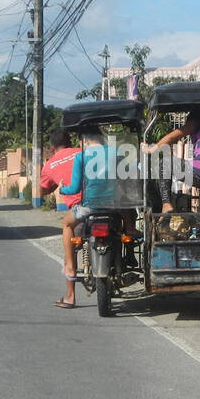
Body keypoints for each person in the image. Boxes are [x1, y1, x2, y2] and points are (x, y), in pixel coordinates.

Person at [55, 124, 117, 308]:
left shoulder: (81, 156)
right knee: (126, 215)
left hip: (90, 206)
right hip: (115, 205)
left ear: (84, 140)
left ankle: (70, 267)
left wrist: (61, 188)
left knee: (67, 224)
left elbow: (74, 188)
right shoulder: (115, 153)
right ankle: (130, 229)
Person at [143, 109, 200, 215]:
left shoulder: (196, 121)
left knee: (166, 163)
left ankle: (166, 204)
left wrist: (151, 149)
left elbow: (173, 136)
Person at [40, 130, 81, 213]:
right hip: (101, 200)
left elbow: (43, 190)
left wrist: (56, 184)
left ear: (52, 147)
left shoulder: (48, 166)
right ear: (70, 143)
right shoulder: (82, 151)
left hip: (78, 205)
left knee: (66, 225)